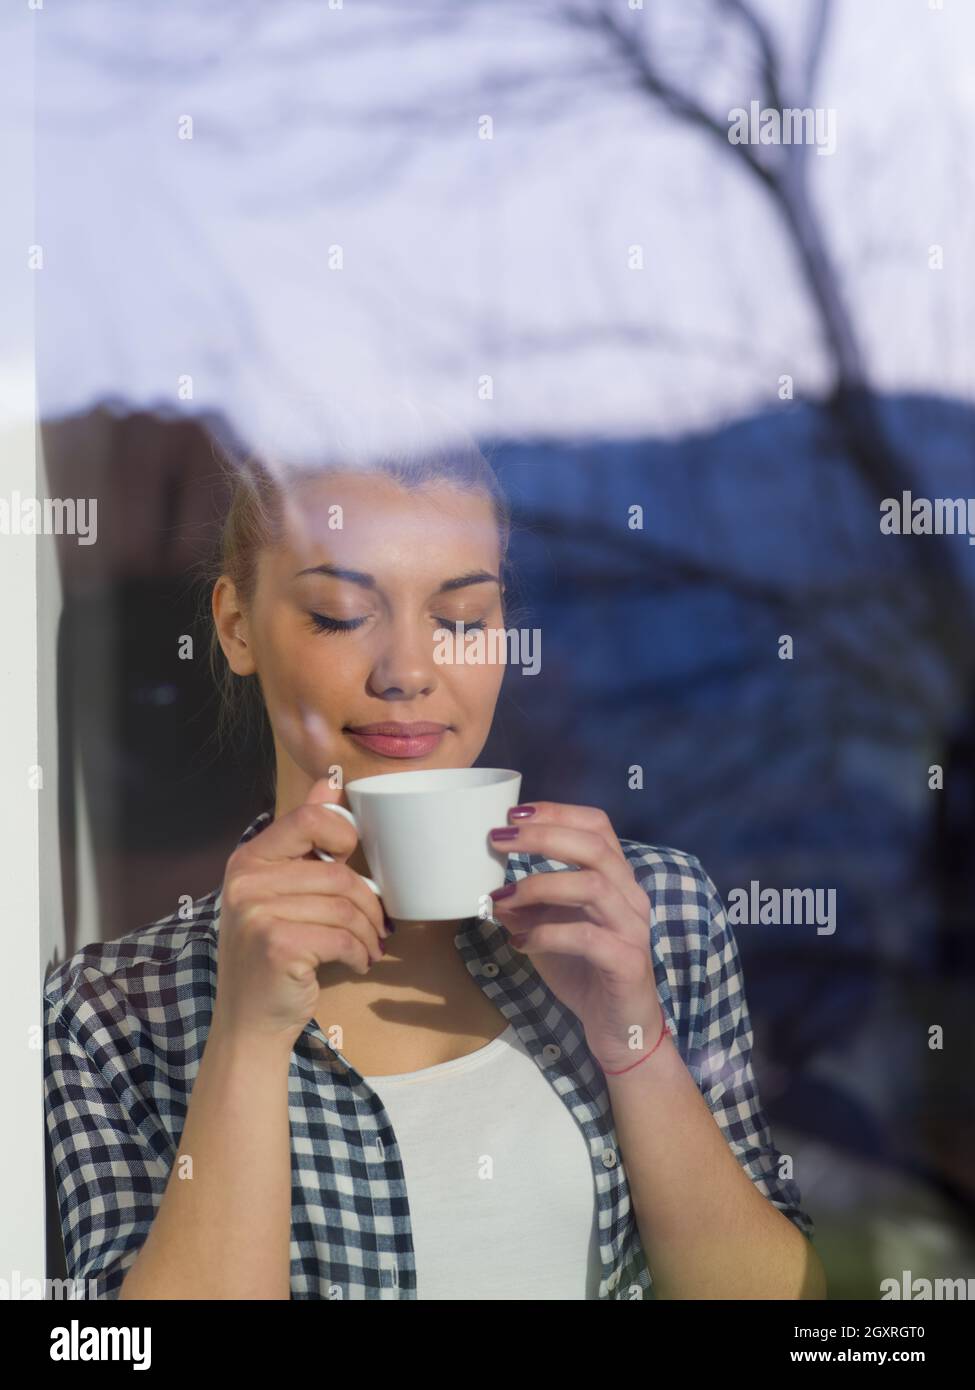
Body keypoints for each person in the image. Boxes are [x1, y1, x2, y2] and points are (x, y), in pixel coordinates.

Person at [43, 429, 826, 1300]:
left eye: (459, 620)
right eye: (340, 615)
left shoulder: (644, 913)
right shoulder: (112, 1010)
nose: (409, 671)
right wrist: (247, 1042)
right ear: (235, 625)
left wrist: (631, 1039)